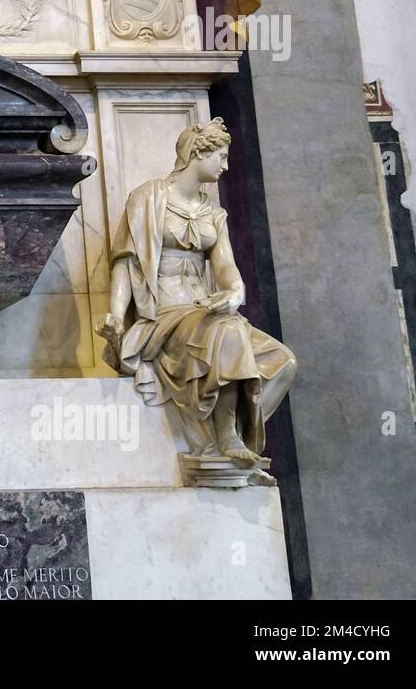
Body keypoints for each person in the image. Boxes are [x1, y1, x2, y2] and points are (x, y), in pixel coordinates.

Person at [98, 118, 297, 484]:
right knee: (229, 332)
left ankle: (229, 435)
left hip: (205, 312)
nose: (225, 166)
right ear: (196, 153)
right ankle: (225, 436)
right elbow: (125, 265)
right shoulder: (147, 198)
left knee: (283, 362)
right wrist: (114, 316)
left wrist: (234, 294)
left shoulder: (214, 214)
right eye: (220, 157)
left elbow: (227, 271)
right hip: (164, 316)